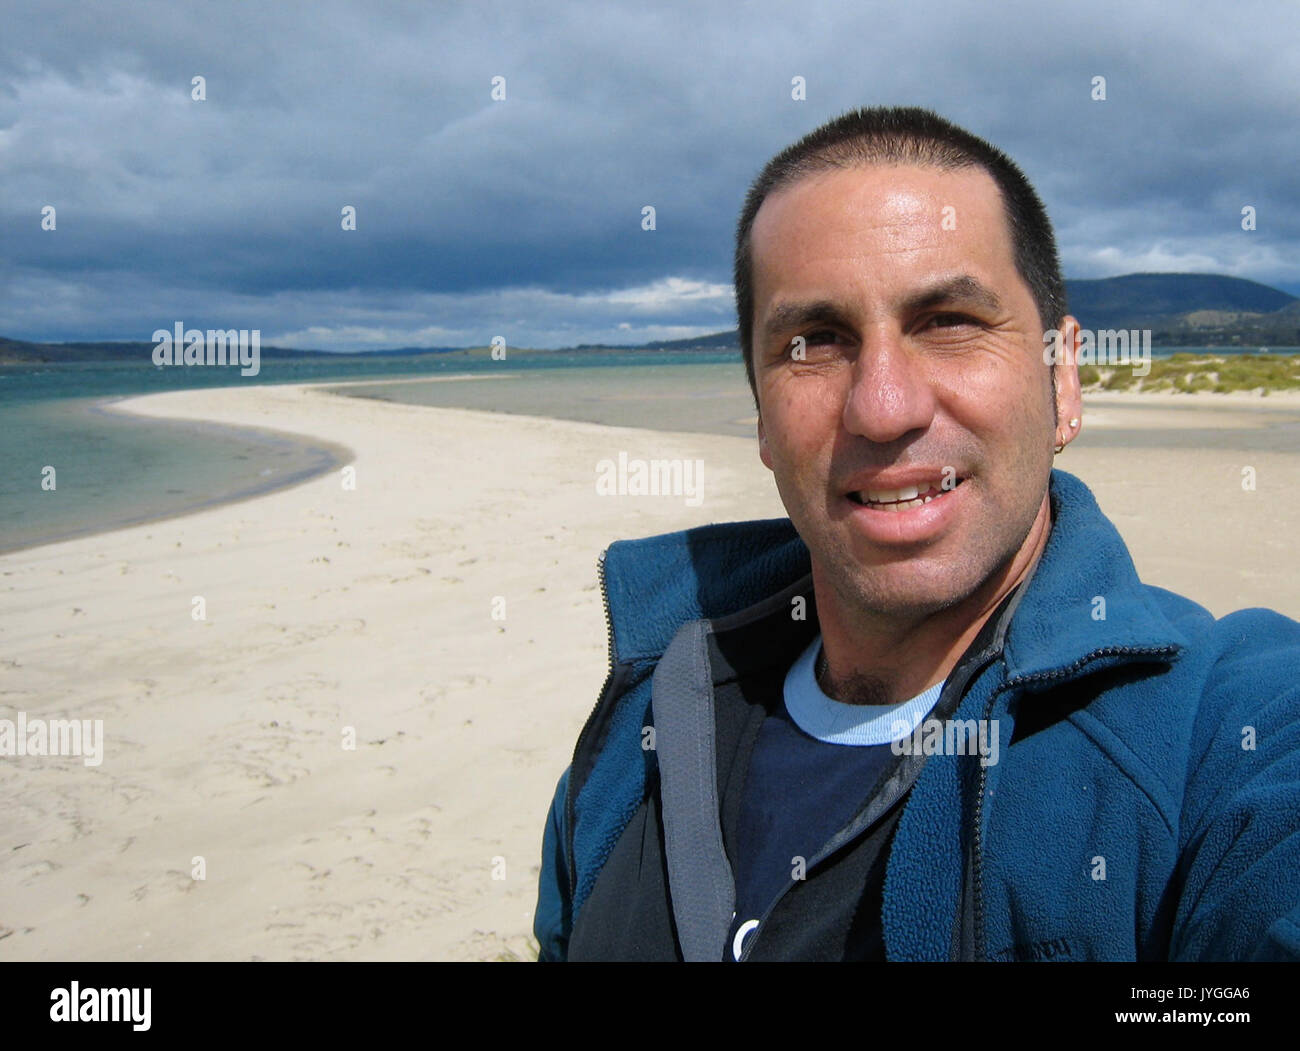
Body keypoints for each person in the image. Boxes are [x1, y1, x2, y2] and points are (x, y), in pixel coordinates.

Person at [532, 106, 1300, 962]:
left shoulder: (1220, 734)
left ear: (1064, 379)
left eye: (949, 323)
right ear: (759, 412)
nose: (885, 407)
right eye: (814, 341)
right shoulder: (643, 731)